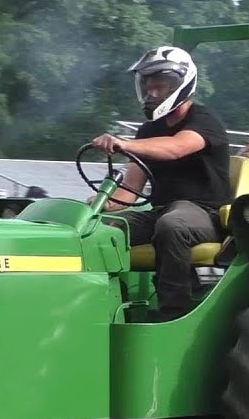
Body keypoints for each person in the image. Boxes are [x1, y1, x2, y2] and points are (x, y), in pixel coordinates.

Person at [89, 45, 230, 321]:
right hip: (161, 210)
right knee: (99, 229)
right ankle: (101, 306)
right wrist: (93, 210)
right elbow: (128, 193)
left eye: (160, 87)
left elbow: (176, 147)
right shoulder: (148, 130)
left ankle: (173, 312)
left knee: (172, 225)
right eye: (148, 87)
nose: (152, 94)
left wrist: (124, 143)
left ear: (181, 84)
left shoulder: (204, 121)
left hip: (205, 213)